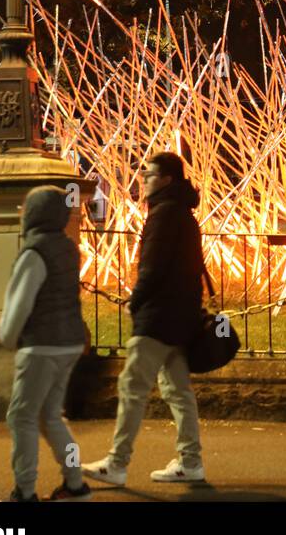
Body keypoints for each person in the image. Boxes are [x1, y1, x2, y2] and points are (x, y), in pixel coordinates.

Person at [83, 151, 206, 486]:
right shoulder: (183, 213)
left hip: (158, 317)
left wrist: (135, 302)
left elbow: (152, 268)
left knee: (132, 388)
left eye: (149, 174)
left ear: (166, 179)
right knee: (178, 391)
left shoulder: (163, 214)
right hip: (180, 318)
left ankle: (117, 463)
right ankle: (190, 461)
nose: (144, 180)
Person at [0, 185, 92, 502]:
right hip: (68, 342)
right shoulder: (66, 247)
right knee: (50, 416)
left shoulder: (33, 252)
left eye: (26, 207)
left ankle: (24, 490)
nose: (21, 211)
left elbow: (21, 303)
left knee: (21, 417)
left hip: (41, 345)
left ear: (36, 212)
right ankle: (75, 483)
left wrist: (8, 337)